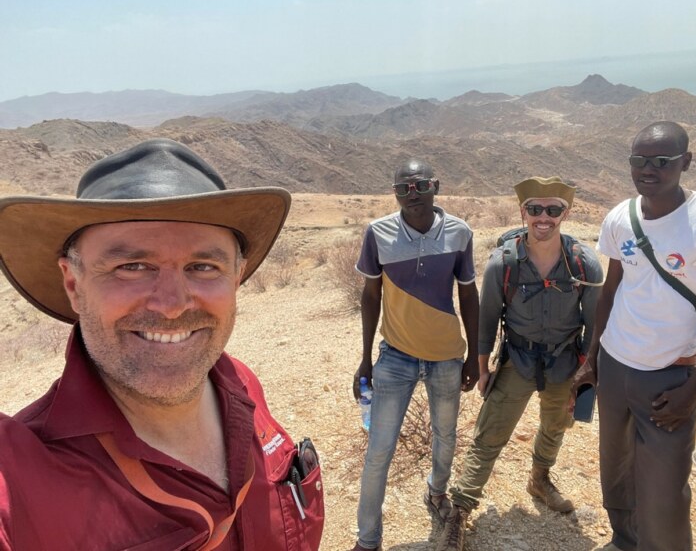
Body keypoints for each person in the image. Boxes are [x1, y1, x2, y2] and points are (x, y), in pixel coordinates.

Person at [0, 139, 324, 550]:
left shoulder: (241, 385)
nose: (172, 306)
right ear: (73, 285)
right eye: (132, 267)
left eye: (203, 266)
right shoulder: (21, 477)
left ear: (237, 278)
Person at [572, 121, 696, 551]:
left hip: (670, 377)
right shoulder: (619, 218)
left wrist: (695, 387)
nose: (649, 169)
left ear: (686, 162)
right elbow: (610, 292)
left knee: (663, 490)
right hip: (614, 365)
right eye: (639, 160)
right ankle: (625, 543)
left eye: (662, 161)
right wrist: (592, 358)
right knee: (617, 473)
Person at [436, 176, 603, 551]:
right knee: (489, 433)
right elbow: (488, 318)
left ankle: (540, 478)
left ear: (566, 213)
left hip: (564, 360)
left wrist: (588, 369)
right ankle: (460, 510)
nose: (543, 218)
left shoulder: (584, 263)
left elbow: (595, 323)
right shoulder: (503, 263)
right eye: (535, 209)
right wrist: (482, 368)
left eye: (553, 210)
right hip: (519, 359)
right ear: (522, 212)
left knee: (555, 424)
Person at [350, 159, 479, 551]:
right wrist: (365, 357)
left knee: (445, 436)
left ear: (435, 186)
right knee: (379, 451)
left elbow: (469, 294)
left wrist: (474, 355)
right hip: (397, 356)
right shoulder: (378, 233)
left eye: (420, 186)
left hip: (446, 356)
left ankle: (437, 492)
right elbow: (371, 295)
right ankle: (368, 539)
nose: (412, 195)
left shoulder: (460, 232)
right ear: (394, 192)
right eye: (403, 188)